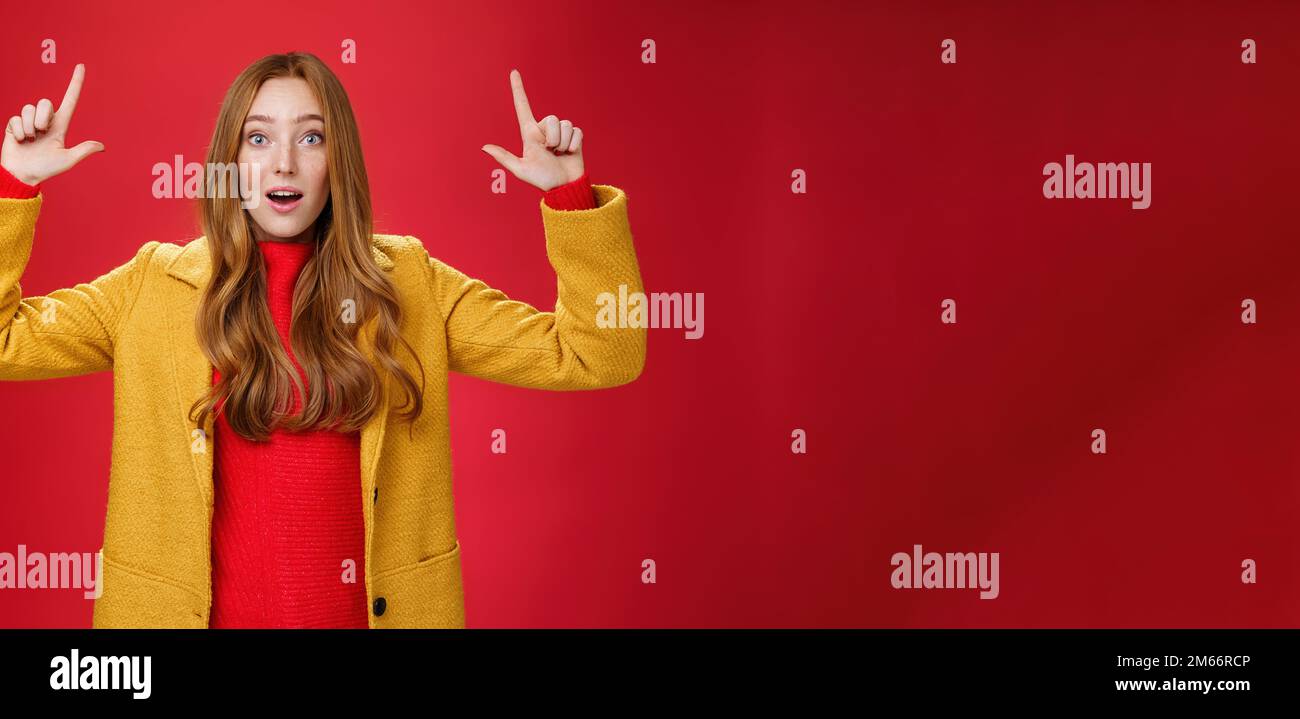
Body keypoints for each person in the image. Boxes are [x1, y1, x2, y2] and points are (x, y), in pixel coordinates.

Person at [0, 53, 646, 628]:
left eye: (312, 137)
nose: (284, 161)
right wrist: (13, 186)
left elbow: (596, 353)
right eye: (258, 139)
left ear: (341, 161)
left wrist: (569, 197)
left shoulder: (410, 283)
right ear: (230, 162)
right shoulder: (153, 286)